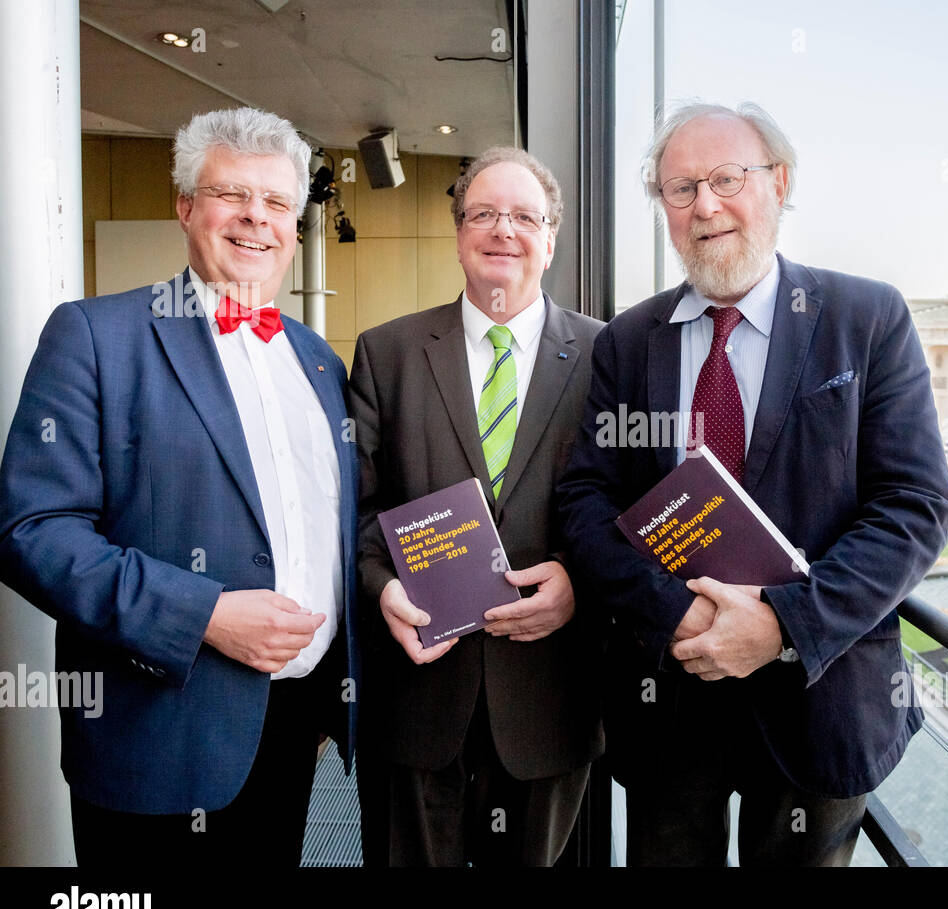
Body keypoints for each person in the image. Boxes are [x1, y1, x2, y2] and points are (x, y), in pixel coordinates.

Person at [556, 102, 948, 866]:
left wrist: (784, 624)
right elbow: (584, 503)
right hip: (668, 702)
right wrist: (672, 612)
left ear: (777, 183)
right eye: (680, 189)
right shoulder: (629, 340)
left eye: (726, 179)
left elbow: (916, 504)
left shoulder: (866, 318)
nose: (704, 205)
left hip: (820, 699)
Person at [0, 107, 358, 866]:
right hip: (159, 736)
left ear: (296, 225)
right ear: (186, 205)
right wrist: (205, 615)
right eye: (233, 195)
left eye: (277, 204)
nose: (256, 219)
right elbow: (33, 530)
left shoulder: (318, 361)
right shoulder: (96, 337)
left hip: (291, 727)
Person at [349, 147, 603, 866]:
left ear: (550, 239)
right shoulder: (387, 353)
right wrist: (383, 587)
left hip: (551, 701)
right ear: (458, 233)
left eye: (524, 216)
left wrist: (579, 584)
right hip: (420, 695)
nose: (503, 230)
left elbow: (630, 513)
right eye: (483, 214)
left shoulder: (605, 355)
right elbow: (359, 511)